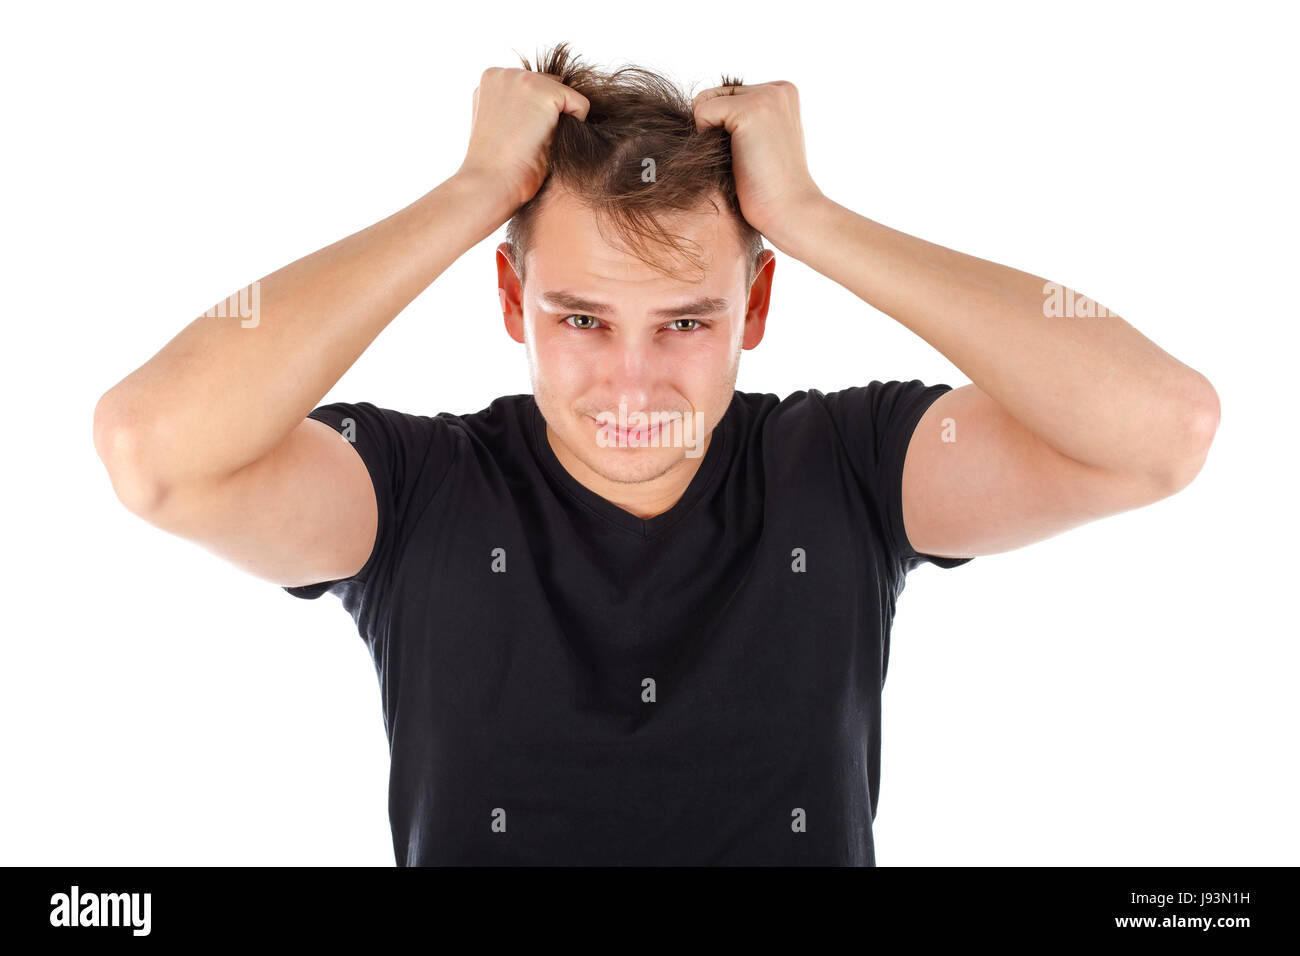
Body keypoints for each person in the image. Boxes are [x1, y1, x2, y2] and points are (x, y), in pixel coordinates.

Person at [92, 42, 1220, 866]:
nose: (633, 387)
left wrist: (812, 215)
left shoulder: (849, 467)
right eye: (581, 319)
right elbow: (154, 448)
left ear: (756, 302)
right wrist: (470, 193)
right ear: (511, 294)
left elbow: (1160, 430)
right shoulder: (415, 494)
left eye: (684, 320)